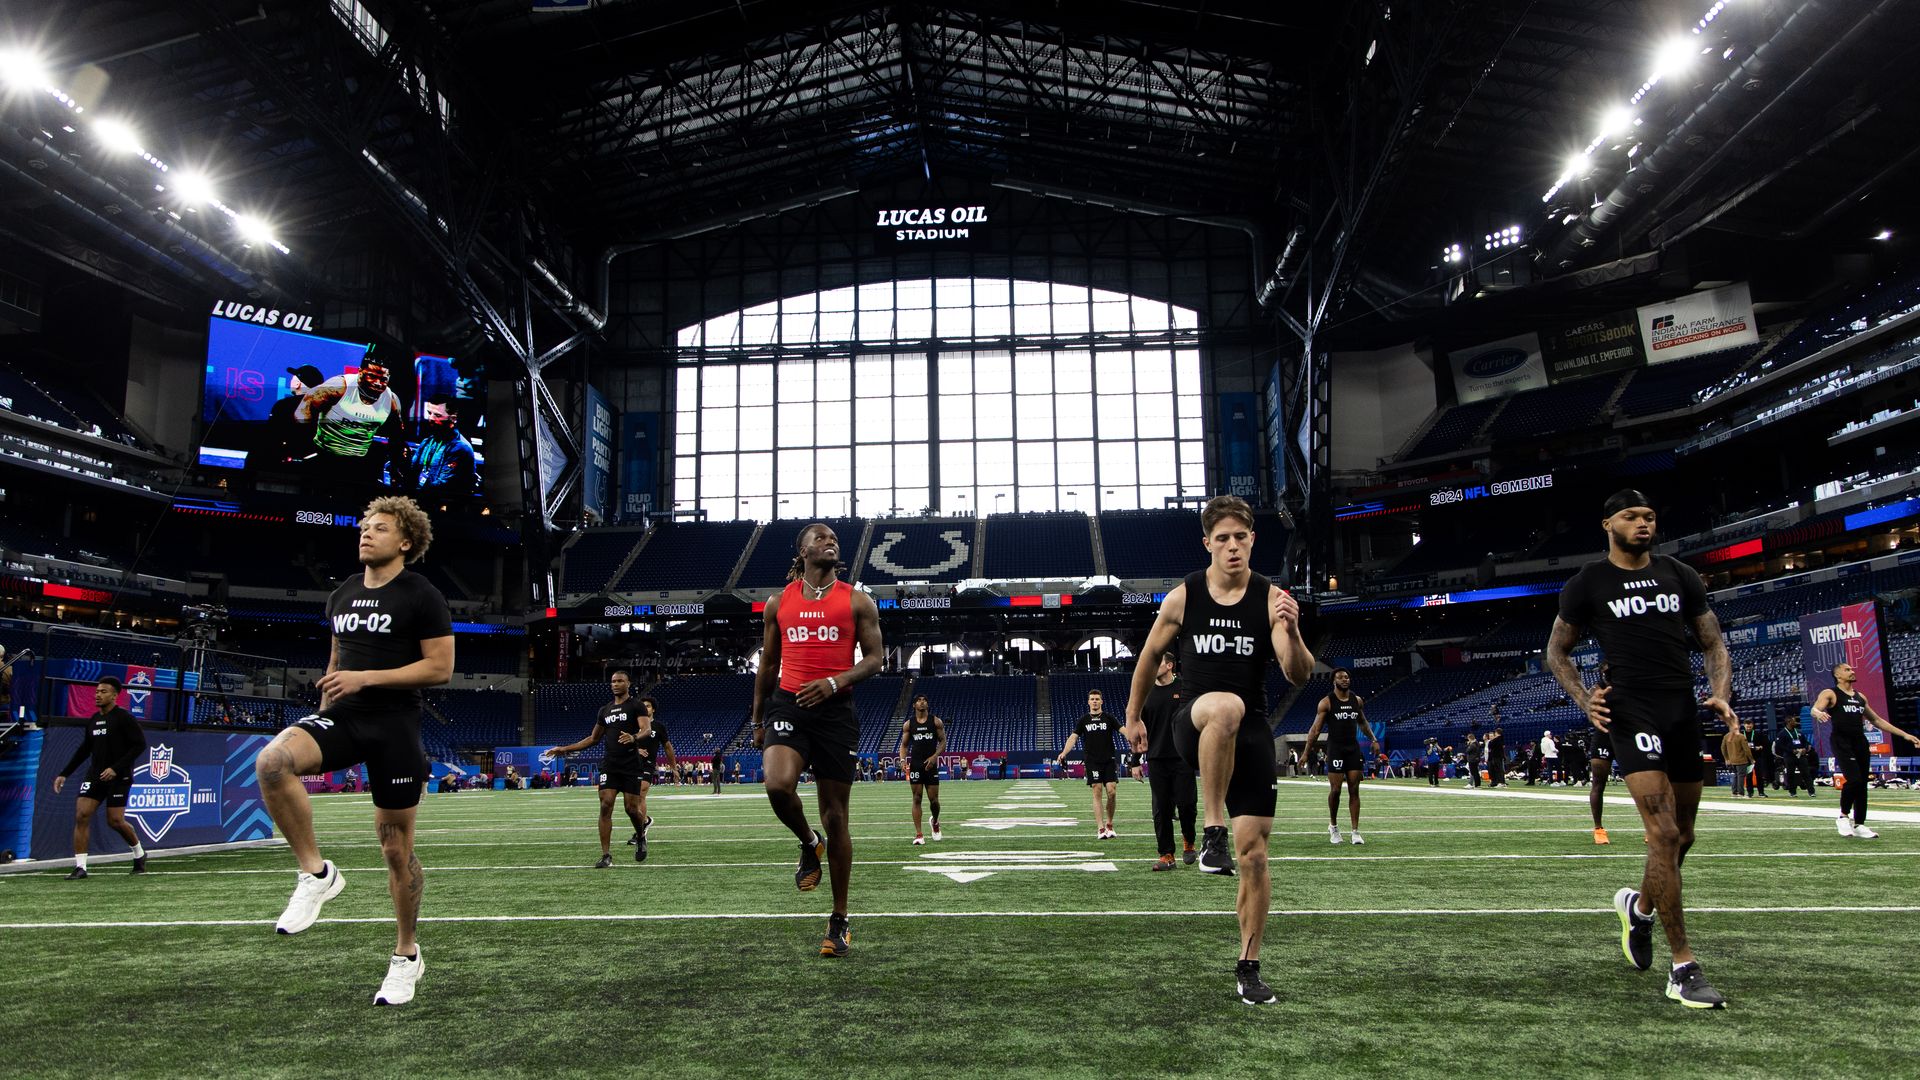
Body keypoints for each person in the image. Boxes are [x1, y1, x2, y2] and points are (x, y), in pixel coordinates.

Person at [253, 495, 453, 1006]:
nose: (366, 533)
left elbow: (439, 669)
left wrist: (368, 677)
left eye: (380, 528)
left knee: (395, 850)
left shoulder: (421, 593)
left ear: (405, 541)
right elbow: (337, 656)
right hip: (344, 719)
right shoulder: (342, 593)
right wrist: (325, 703)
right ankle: (317, 873)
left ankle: (406, 956)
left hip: (394, 727)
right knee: (272, 762)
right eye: (364, 526)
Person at [1122, 495, 1313, 1006]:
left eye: (1241, 537)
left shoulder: (1271, 598)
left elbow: (1298, 672)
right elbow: (1148, 657)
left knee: (1254, 853)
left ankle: (1248, 966)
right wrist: (1133, 716)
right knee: (1224, 706)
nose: (1232, 546)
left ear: (1253, 541)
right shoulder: (1184, 596)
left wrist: (1292, 630)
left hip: (1249, 731)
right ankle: (1210, 832)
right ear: (1208, 544)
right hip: (1196, 719)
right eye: (1222, 538)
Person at [1546, 489, 1732, 1008]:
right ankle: (1683, 967)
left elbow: (1712, 641)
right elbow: (1556, 651)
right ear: (1608, 523)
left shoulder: (1680, 574)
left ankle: (1639, 908)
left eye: (1650, 516)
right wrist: (1585, 700)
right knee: (1664, 831)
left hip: (1680, 710)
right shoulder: (1588, 583)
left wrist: (1719, 694)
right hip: (1631, 712)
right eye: (1632, 516)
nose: (1643, 523)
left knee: (1683, 836)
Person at [750, 523, 883, 958]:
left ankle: (840, 920)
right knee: (777, 786)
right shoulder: (778, 602)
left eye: (834, 539)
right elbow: (768, 662)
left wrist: (835, 681)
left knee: (836, 817)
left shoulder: (857, 600)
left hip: (835, 712)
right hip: (788, 705)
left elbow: (877, 658)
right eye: (822, 537)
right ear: (803, 550)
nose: (831, 542)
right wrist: (756, 717)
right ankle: (809, 844)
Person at [542, 671, 653, 866]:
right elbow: (593, 739)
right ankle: (606, 855)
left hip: (631, 765)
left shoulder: (636, 705)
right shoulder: (605, 710)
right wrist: (564, 749)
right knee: (605, 805)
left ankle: (641, 835)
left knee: (631, 809)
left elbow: (646, 729)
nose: (616, 684)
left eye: (620, 681)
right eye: (613, 681)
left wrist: (634, 738)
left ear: (628, 683)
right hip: (610, 764)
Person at [54, 677, 150, 878]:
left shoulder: (124, 718)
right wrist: (65, 773)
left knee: (115, 821)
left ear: (115, 695)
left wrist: (116, 768)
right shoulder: (94, 720)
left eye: (103, 691)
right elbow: (84, 751)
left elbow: (139, 745)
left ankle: (139, 853)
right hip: (95, 775)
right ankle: (81, 867)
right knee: (82, 815)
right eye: (97, 691)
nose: (98, 695)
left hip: (119, 776)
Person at [1811, 662, 1920, 838]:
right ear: (1838, 675)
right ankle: (1843, 816)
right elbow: (1815, 708)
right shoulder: (1830, 693)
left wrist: (1905, 735)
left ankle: (1860, 824)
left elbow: (1876, 720)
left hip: (1860, 742)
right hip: (1841, 741)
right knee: (1853, 780)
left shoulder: (1860, 697)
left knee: (1862, 784)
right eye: (1847, 670)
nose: (1852, 671)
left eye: (1851, 669)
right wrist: (1818, 713)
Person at [294, 350, 407, 485]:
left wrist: (396, 466)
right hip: (324, 456)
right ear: (360, 372)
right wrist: (304, 448)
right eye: (371, 376)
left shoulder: (392, 400)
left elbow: (397, 435)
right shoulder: (339, 386)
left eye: (383, 379)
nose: (377, 383)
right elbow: (302, 412)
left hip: (357, 463)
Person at [1299, 668, 1378, 845]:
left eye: (1347, 677)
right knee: (1335, 790)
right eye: (1340, 677)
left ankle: (1355, 831)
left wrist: (1373, 739)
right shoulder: (1326, 703)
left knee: (1354, 789)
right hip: (1335, 749)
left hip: (1352, 749)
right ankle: (1333, 826)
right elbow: (1315, 730)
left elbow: (1363, 722)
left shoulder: (1356, 701)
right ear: (1334, 681)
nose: (1345, 679)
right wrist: (1305, 752)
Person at [1138, 653, 1197, 869]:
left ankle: (1189, 842)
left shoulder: (1185, 688)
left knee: (1186, 804)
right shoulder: (1145, 692)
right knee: (1161, 808)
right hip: (1156, 758)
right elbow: (1138, 728)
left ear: (1170, 665)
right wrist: (1135, 760)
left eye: (1158, 662)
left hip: (1183, 757)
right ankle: (1167, 855)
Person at [1056, 690, 1122, 840]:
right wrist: (1064, 753)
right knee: (1097, 790)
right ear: (1088, 702)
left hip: (1109, 759)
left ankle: (1109, 825)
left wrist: (1134, 736)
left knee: (1112, 792)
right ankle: (1100, 828)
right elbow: (1073, 738)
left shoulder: (1109, 718)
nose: (1094, 701)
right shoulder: (1084, 720)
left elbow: (1122, 729)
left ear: (1101, 702)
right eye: (1092, 699)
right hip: (1092, 761)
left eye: (1097, 699)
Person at [897, 694, 946, 844]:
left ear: (927, 704)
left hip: (930, 765)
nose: (922, 702)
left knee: (934, 801)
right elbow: (904, 745)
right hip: (916, 765)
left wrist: (935, 756)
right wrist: (903, 760)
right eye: (919, 700)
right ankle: (919, 835)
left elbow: (943, 741)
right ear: (914, 705)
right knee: (916, 798)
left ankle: (935, 822)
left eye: (924, 700)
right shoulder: (908, 724)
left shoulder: (935, 721)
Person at [409, 394, 477, 498]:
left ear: (453, 419)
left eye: (437, 415)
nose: (431, 418)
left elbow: (445, 484)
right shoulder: (427, 442)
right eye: (429, 413)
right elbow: (412, 471)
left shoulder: (460, 448)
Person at [1775, 718, 1814, 797]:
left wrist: (1805, 748)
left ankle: (1811, 792)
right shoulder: (1782, 733)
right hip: (1789, 756)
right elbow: (1780, 745)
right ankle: (1792, 792)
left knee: (1806, 773)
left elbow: (1805, 742)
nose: (1795, 722)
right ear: (1788, 722)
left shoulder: (1799, 732)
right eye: (1793, 721)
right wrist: (1791, 750)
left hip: (1801, 755)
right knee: (1790, 774)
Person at [1719, 720, 1752, 800]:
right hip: (1741, 760)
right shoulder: (1741, 736)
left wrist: (1726, 758)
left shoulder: (1726, 736)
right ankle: (1741, 793)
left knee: (1735, 776)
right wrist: (1751, 759)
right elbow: (1746, 750)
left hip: (1731, 760)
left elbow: (1723, 748)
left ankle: (1734, 792)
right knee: (1741, 776)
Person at [1748, 721, 1773, 797]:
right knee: (1749, 775)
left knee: (1759, 775)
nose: (1748, 727)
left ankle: (1761, 792)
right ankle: (1750, 792)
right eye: (1747, 726)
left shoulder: (1758, 734)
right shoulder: (1742, 735)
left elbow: (1766, 744)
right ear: (1744, 726)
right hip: (1747, 758)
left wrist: (1760, 747)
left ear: (1752, 725)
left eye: (1750, 726)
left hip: (1758, 757)